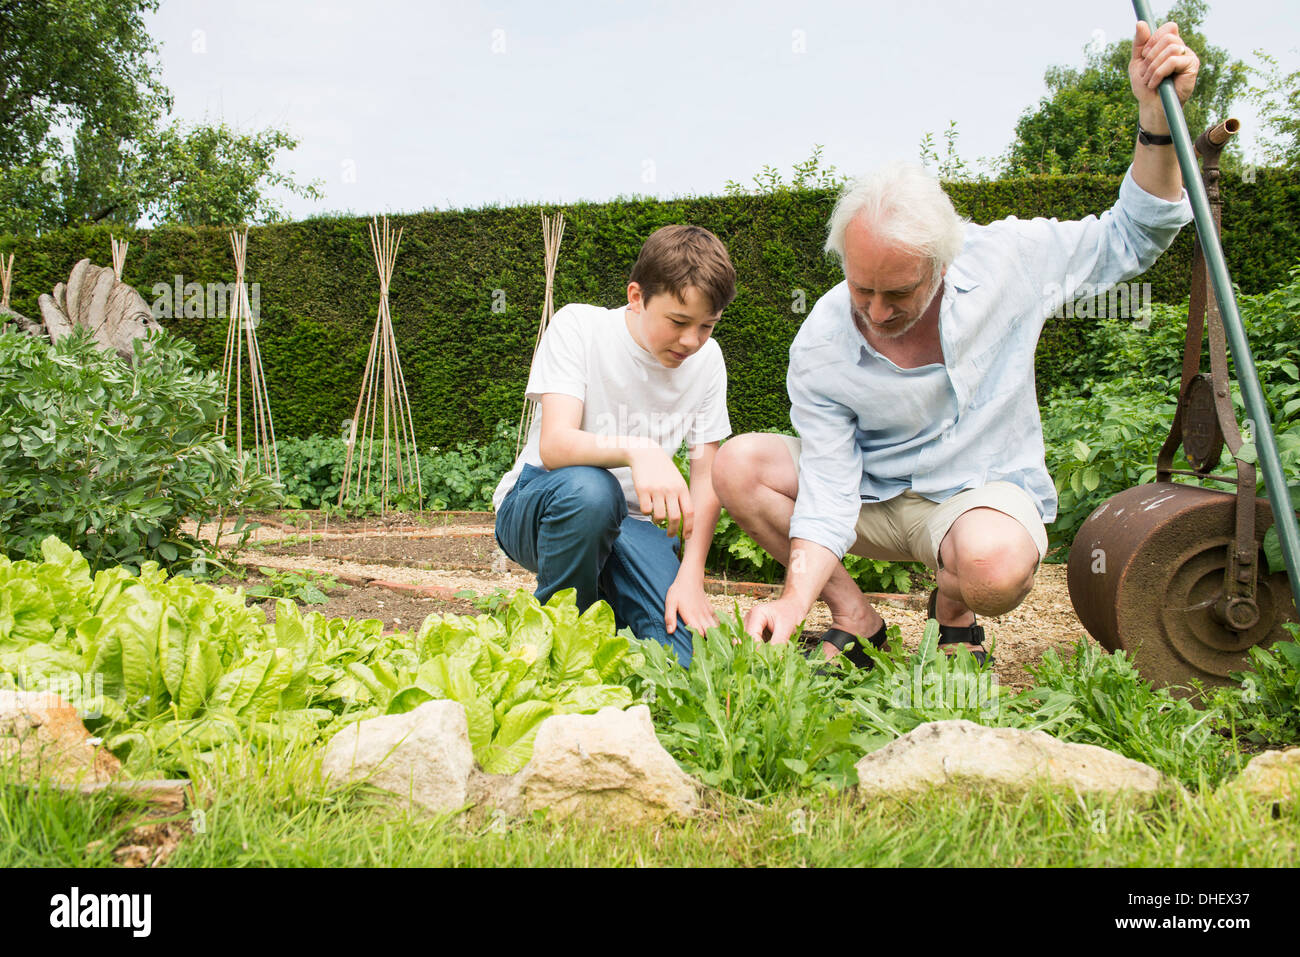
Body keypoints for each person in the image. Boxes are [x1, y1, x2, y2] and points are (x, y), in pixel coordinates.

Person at [712, 19, 1200, 667]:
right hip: (872, 496)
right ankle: (856, 619)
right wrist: (794, 598)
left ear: (943, 264)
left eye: (899, 293)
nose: (876, 312)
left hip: (980, 494)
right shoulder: (823, 342)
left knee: (992, 568)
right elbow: (829, 491)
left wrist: (1154, 119)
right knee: (737, 465)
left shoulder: (1007, 261)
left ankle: (955, 606)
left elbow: (1134, 235)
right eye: (862, 289)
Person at [493, 224, 736, 668]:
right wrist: (641, 450)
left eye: (707, 326)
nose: (692, 341)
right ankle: (562, 634)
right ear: (637, 296)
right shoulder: (579, 326)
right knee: (592, 491)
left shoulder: (709, 360)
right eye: (679, 322)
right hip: (545, 504)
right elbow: (556, 444)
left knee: (690, 661)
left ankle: (613, 601)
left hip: (637, 525)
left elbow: (707, 476)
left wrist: (691, 576)